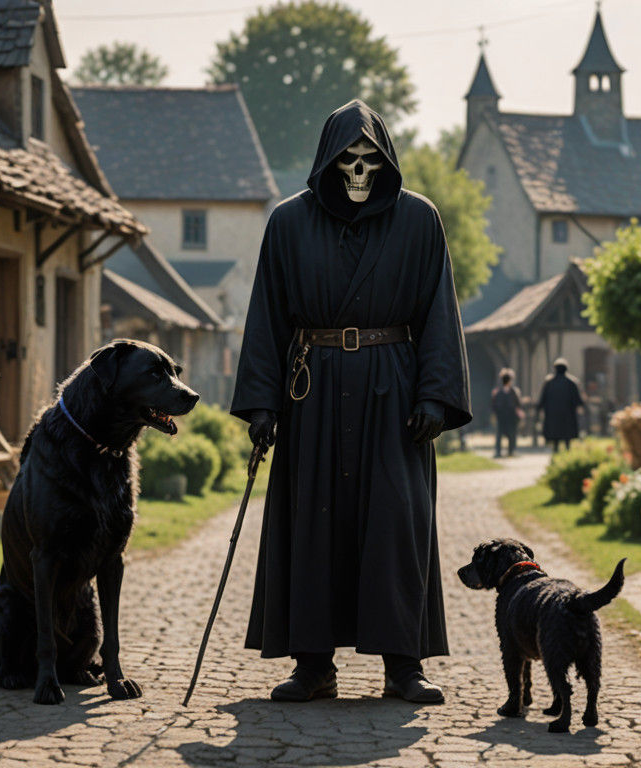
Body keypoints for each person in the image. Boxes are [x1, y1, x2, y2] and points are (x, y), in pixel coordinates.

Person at [230, 100, 471, 706]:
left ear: (385, 163)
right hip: (311, 389)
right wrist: (262, 404)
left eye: (368, 162)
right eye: (346, 163)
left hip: (393, 392)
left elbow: (440, 310)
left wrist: (436, 395)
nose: (358, 174)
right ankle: (313, 666)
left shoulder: (420, 221)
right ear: (325, 165)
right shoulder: (287, 223)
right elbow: (265, 316)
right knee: (311, 523)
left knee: (396, 523)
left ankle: (403, 666)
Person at [535, 358, 583, 452]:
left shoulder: (549, 382)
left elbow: (542, 399)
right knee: (567, 437)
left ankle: (556, 451)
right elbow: (578, 400)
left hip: (553, 415)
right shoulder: (571, 382)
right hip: (568, 415)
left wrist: (539, 408)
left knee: (555, 437)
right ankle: (567, 452)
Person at [491, 369, 522, 457]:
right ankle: (509, 451)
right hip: (507, 416)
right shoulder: (514, 391)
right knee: (510, 434)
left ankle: (501, 451)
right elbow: (518, 404)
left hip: (504, 416)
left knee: (503, 434)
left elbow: (494, 404)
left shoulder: (497, 392)